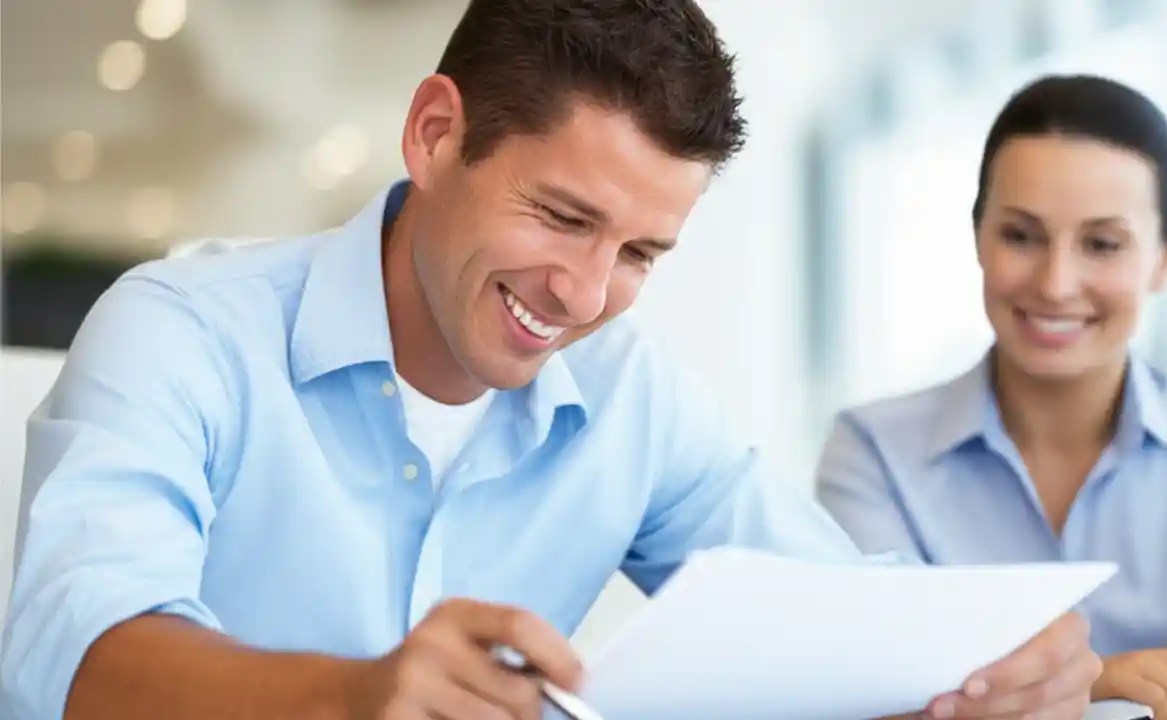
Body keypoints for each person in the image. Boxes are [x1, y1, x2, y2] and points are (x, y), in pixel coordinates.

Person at [0, 4, 1098, 719]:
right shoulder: (183, 331)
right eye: (562, 217)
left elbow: (831, 616)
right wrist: (355, 698)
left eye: (639, 254)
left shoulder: (632, 400)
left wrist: (999, 663)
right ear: (436, 135)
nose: (583, 294)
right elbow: (72, 653)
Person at [817, 74, 1167, 720]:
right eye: (1021, 235)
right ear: (978, 236)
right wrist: (1104, 682)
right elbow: (873, 689)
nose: (1057, 284)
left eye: (1102, 244)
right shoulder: (873, 453)